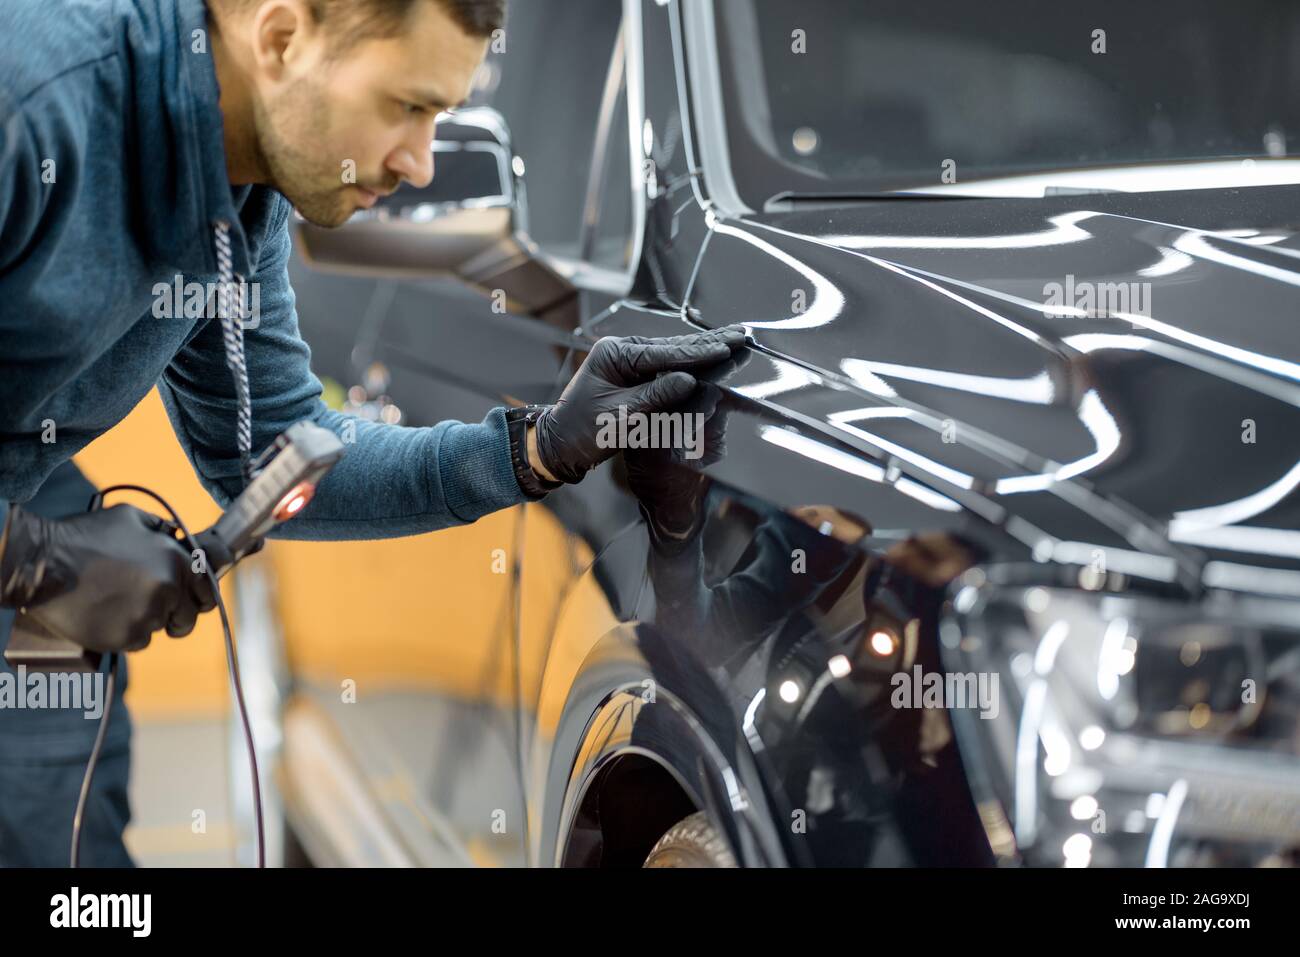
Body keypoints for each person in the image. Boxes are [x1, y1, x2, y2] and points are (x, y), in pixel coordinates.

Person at [0, 0, 745, 866]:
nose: (422, 165)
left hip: (27, 500)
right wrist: (33, 556)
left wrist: (531, 449)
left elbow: (277, 448)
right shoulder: (34, 97)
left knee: (61, 854)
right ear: (281, 39)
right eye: (409, 107)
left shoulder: (239, 197)